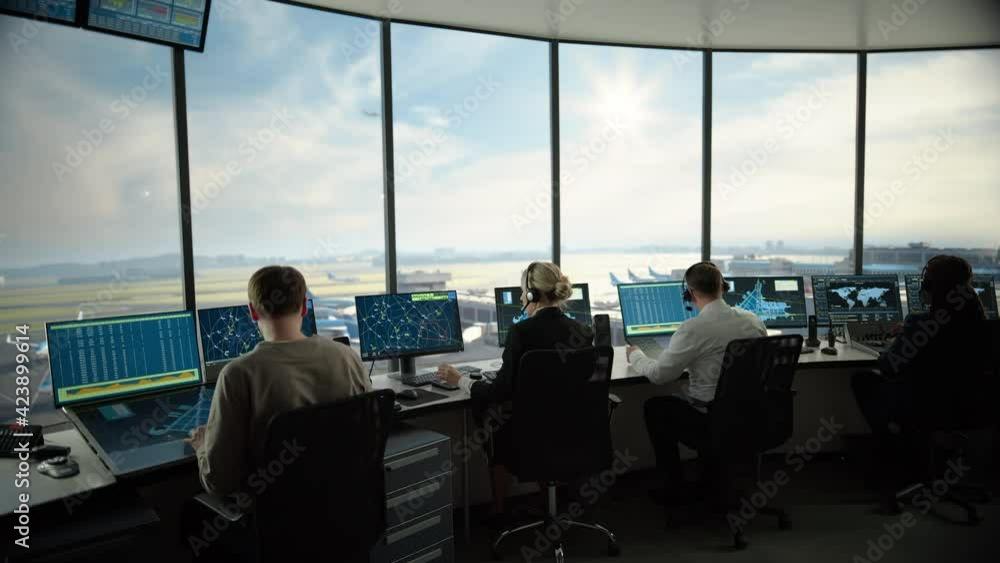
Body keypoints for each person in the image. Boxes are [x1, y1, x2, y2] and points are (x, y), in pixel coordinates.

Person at [182, 266, 370, 558]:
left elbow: (220, 480)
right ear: (303, 308)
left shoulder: (238, 374)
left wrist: (202, 446)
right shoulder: (347, 357)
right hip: (343, 512)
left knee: (189, 517)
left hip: (277, 527)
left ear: (253, 312)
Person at [437, 261, 593, 520]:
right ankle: (549, 503)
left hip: (531, 441)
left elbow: (499, 391)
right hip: (575, 436)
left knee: (487, 414)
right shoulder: (583, 331)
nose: (521, 296)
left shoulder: (522, 332)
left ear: (532, 294)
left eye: (523, 291)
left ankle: (498, 512)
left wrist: (460, 380)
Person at [851, 255, 988, 511]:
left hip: (923, 407)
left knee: (862, 380)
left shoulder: (921, 324)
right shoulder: (984, 327)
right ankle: (920, 462)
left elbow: (889, 368)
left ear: (929, 287)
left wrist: (889, 347)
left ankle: (896, 459)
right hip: (972, 409)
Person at [629, 261, 766, 504]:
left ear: (690, 293)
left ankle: (674, 488)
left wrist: (636, 355)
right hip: (752, 416)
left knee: (656, 407)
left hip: (713, 422)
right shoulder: (753, 320)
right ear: (723, 286)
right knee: (694, 399)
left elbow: (660, 376)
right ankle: (711, 477)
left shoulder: (693, 329)